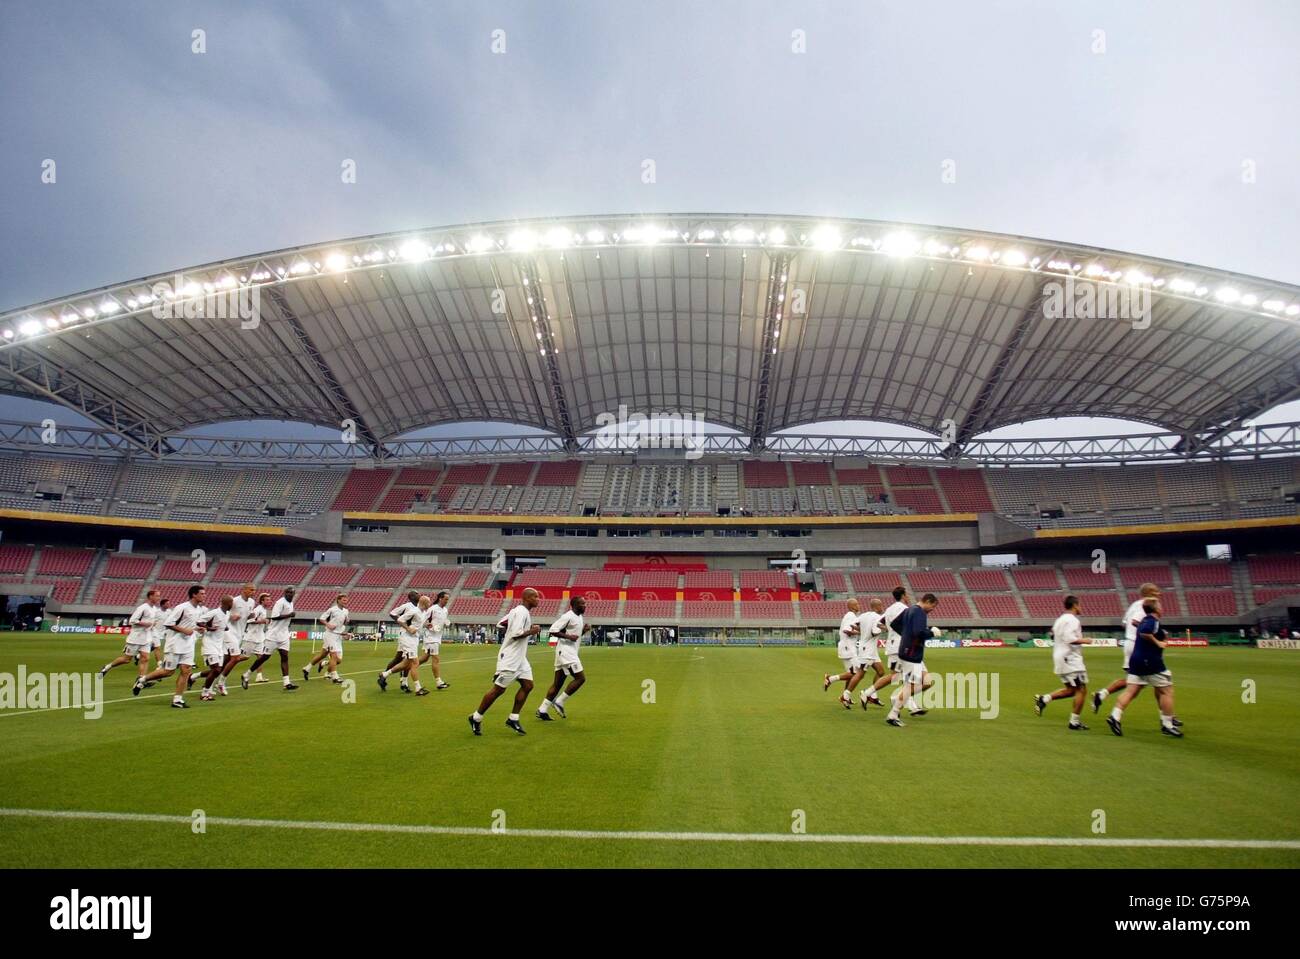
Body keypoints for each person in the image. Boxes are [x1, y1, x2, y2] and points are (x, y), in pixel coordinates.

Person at [1106, 598, 1183, 738]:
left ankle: (1114, 716)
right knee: (1167, 690)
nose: (1161, 607)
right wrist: (1159, 643)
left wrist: (1162, 637)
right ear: (1156, 609)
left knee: (1131, 690)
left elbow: (1142, 629)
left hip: (1135, 661)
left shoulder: (1145, 620)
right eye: (1159, 605)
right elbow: (1145, 633)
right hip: (1149, 661)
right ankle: (1167, 725)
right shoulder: (1152, 621)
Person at [469, 588, 540, 736]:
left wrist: (514, 628)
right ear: (526, 598)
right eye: (535, 597)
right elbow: (515, 635)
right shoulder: (521, 612)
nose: (538, 599)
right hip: (510, 657)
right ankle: (476, 717)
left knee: (528, 686)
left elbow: (500, 623)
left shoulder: (516, 611)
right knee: (498, 690)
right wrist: (531, 632)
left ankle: (513, 718)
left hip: (520, 658)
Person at [133, 585, 207, 708]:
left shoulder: (199, 609)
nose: (205, 596)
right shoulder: (182, 607)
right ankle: (142, 680)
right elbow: (168, 623)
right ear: (194, 594)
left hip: (188, 644)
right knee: (168, 672)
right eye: (202, 593)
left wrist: (197, 628)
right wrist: (184, 630)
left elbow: (189, 625)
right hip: (175, 644)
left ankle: (177, 699)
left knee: (186, 671)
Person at [1093, 582, 1160, 713]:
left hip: (1130, 644)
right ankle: (1167, 718)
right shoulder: (1144, 606)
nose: (1159, 593)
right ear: (1149, 593)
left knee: (1134, 681)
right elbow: (1135, 621)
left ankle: (1102, 694)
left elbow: (1124, 623)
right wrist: (1150, 631)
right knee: (1159, 680)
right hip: (1138, 646)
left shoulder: (1133, 605)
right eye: (1156, 592)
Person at [1034, 595, 1090, 730]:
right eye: (1079, 605)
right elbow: (1069, 638)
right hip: (1070, 658)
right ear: (1075, 605)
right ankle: (1074, 722)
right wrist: (1085, 640)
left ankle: (1044, 699)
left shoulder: (1059, 620)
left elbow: (1053, 634)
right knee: (1081, 690)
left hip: (1059, 656)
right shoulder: (1072, 620)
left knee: (1071, 690)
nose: (1080, 607)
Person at [885, 593, 940, 728]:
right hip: (912, 653)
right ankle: (893, 714)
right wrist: (932, 632)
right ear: (927, 601)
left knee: (928, 681)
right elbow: (918, 632)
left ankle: (898, 698)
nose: (932, 609)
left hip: (909, 651)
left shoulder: (908, 609)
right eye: (932, 606)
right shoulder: (919, 612)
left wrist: (906, 635)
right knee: (910, 685)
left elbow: (894, 624)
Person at [537, 596, 589, 720]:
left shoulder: (579, 617)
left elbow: (575, 636)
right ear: (575, 605)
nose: (585, 605)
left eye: (585, 603)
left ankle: (542, 710)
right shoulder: (567, 616)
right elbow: (553, 630)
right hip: (566, 652)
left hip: (567, 652)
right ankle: (559, 701)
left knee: (558, 683)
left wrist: (583, 631)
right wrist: (568, 637)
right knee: (580, 678)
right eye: (582, 603)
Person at [243, 588, 299, 690]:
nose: (290, 594)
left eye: (291, 593)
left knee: (285, 657)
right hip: (273, 635)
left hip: (284, 635)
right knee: (264, 657)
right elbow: (275, 617)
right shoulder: (280, 602)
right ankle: (247, 674)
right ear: (284, 593)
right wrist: (289, 615)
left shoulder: (291, 603)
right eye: (288, 592)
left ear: (294, 594)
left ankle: (286, 683)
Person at [99, 589, 160, 682]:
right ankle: (107, 667)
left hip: (146, 637)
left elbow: (151, 621)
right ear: (150, 596)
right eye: (157, 596)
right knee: (126, 659)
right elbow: (132, 621)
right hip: (135, 637)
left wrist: (152, 624)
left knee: (145, 658)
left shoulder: (155, 609)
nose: (158, 598)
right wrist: (146, 623)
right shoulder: (142, 608)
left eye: (159, 596)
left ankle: (140, 680)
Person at [379, 595, 430, 694]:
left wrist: (426, 625)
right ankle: (418, 688)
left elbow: (418, 623)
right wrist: (408, 628)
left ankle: (384, 675)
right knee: (415, 663)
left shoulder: (423, 613)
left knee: (406, 663)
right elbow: (400, 619)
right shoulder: (414, 611)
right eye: (428, 602)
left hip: (414, 639)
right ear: (424, 603)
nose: (429, 604)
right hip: (407, 638)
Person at [823, 598, 865, 708]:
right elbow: (846, 630)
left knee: (851, 673)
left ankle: (846, 697)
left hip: (846, 646)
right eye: (856, 604)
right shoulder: (851, 616)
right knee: (856, 673)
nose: (858, 605)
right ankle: (830, 679)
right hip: (848, 647)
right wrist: (860, 632)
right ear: (851, 606)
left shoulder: (850, 616)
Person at [197, 596, 235, 701]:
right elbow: (199, 621)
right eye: (232, 603)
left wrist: (225, 627)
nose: (233, 605)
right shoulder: (214, 612)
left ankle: (194, 677)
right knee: (216, 669)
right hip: (209, 643)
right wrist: (209, 628)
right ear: (228, 603)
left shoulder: (226, 614)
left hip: (219, 646)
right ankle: (204, 693)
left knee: (217, 671)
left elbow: (223, 625)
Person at [306, 593, 349, 684]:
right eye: (344, 600)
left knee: (334, 658)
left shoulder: (346, 611)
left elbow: (342, 624)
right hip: (330, 634)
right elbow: (322, 618)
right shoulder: (332, 609)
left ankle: (308, 668)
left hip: (338, 636)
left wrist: (343, 632)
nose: (346, 601)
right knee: (333, 656)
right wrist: (328, 624)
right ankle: (335, 677)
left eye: (346, 600)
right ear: (338, 600)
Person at [413, 591, 451, 690]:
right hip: (430, 637)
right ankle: (439, 682)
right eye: (446, 599)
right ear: (440, 598)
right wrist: (428, 626)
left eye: (448, 599)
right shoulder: (432, 609)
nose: (447, 601)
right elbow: (422, 621)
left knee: (425, 658)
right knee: (436, 659)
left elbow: (442, 621)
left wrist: (446, 623)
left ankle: (411, 666)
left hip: (437, 637)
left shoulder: (445, 610)